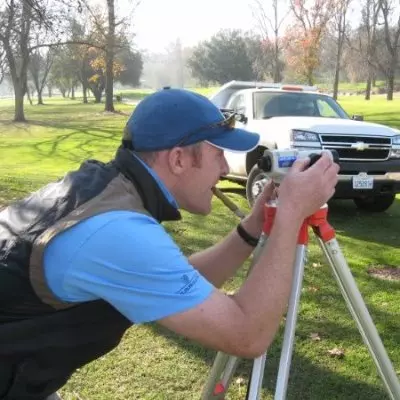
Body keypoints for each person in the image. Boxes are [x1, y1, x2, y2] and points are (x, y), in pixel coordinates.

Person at [0, 88, 339, 400]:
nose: (224, 168)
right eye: (218, 152)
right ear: (178, 159)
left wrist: (252, 228)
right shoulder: (118, 230)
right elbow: (248, 335)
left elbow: (177, 281)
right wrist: (291, 214)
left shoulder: (107, 192)